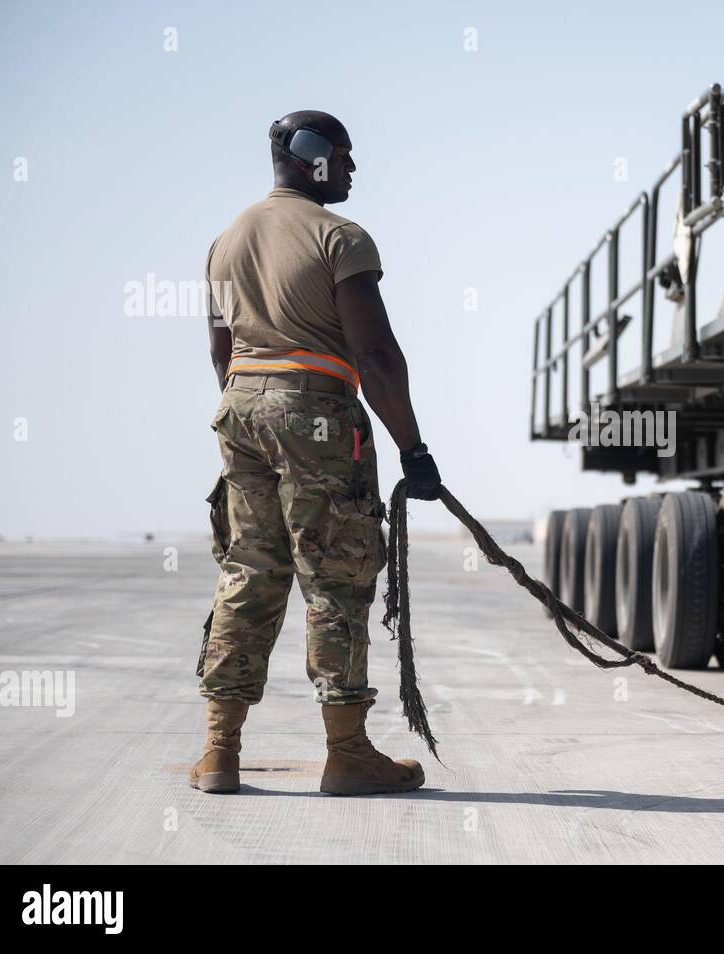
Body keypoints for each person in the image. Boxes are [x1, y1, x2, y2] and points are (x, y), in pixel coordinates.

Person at [191, 110, 442, 796]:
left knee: (250, 571)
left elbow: (221, 350)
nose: (354, 167)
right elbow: (375, 354)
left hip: (239, 406)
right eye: (345, 155)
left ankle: (219, 752)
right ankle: (348, 753)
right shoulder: (340, 237)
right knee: (335, 578)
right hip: (317, 409)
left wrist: (256, 413)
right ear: (310, 156)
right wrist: (412, 448)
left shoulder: (224, 241)